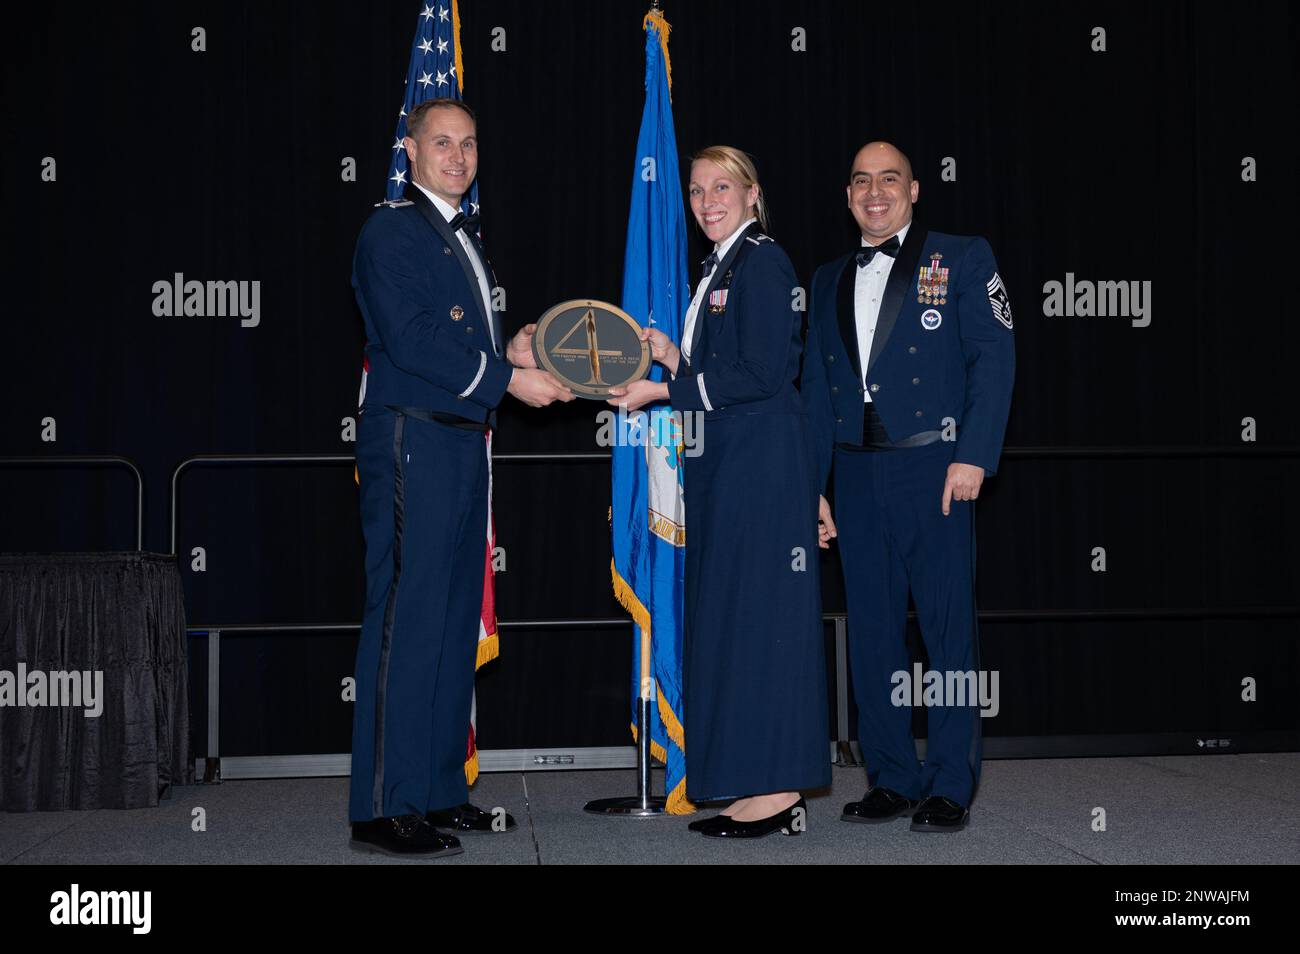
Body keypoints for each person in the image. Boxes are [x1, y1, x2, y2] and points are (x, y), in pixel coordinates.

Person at [348, 98, 574, 857]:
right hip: (413, 439)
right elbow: (410, 342)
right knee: (406, 621)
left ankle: (440, 790)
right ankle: (384, 807)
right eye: (441, 142)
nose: (457, 155)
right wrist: (507, 382)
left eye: (469, 143)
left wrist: (511, 352)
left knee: (448, 622)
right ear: (408, 149)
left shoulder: (460, 236)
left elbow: (457, 346)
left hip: (459, 440)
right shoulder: (391, 230)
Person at [608, 146, 830, 838]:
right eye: (698, 189)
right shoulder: (721, 266)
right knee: (736, 623)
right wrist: (676, 358)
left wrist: (663, 387)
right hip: (731, 471)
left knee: (765, 627)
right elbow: (727, 370)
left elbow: (764, 373)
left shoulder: (764, 261)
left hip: (761, 472)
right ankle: (747, 785)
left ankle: (778, 794)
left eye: (721, 187)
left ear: (752, 193)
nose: (707, 200)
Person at [801, 141, 1014, 832]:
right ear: (848, 194)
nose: (875, 192)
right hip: (856, 475)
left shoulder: (962, 255)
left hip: (936, 470)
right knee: (871, 634)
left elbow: (995, 355)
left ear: (914, 190)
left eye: (889, 179)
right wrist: (815, 486)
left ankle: (951, 781)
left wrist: (974, 455)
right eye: (861, 180)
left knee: (949, 634)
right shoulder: (828, 275)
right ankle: (891, 775)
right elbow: (813, 394)